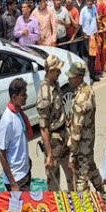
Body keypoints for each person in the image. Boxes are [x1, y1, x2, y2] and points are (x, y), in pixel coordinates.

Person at [67, 62, 103, 191]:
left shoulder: (80, 98)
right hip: (89, 140)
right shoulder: (88, 90)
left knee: (81, 179)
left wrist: (71, 157)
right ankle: (101, 191)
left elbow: (76, 131)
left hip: (82, 145)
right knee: (91, 166)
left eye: (71, 77)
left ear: (79, 77)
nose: (69, 79)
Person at [38, 56, 71, 190]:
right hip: (54, 142)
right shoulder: (45, 95)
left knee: (72, 174)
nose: (60, 73)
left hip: (64, 137)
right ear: (51, 71)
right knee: (54, 183)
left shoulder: (55, 84)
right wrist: (49, 155)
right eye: (57, 70)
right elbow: (44, 128)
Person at [0, 79, 32, 191]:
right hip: (17, 179)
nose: (26, 96)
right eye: (23, 95)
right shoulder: (7, 120)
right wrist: (13, 183)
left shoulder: (18, 112)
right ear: (14, 97)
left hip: (25, 171)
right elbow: (2, 153)